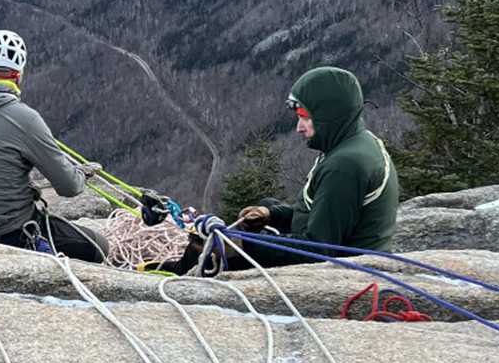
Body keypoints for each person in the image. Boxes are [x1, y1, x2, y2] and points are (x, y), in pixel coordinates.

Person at [153, 66, 399, 274]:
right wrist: (271, 213)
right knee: (266, 205)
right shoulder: (355, 142)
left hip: (346, 271)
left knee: (209, 255)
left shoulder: (345, 166)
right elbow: (325, 214)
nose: (298, 127)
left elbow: (319, 252)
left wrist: (241, 245)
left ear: (329, 116)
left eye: (304, 116)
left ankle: (176, 274)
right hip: (343, 248)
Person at [0, 30, 108, 262]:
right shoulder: (26, 119)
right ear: (19, 76)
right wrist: (80, 173)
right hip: (11, 233)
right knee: (98, 246)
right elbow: (69, 187)